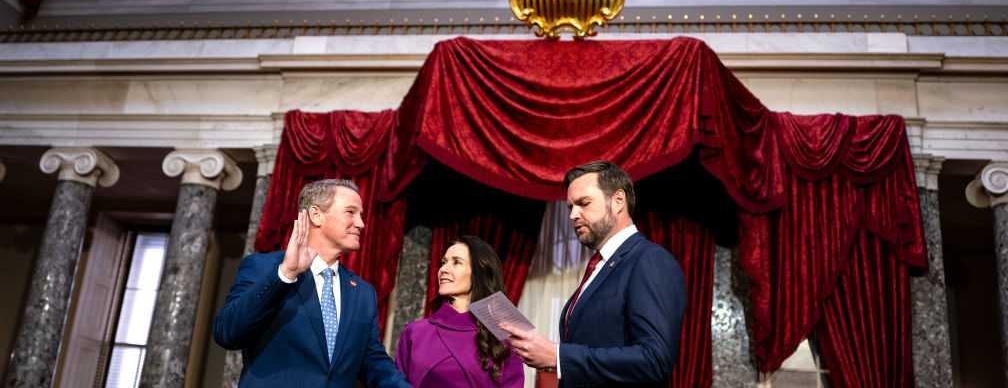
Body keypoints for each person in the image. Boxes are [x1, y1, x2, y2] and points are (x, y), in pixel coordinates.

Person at [502, 161, 687, 388]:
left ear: (618, 201)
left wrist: (559, 357)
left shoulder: (649, 260)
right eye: (570, 207)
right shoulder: (600, 266)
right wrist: (548, 355)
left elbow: (655, 360)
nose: (573, 215)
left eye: (584, 203)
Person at [213, 179, 411, 388]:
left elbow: (373, 361)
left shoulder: (363, 293)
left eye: (360, 215)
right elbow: (228, 332)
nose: (361, 223)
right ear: (316, 215)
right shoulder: (264, 267)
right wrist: (285, 275)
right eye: (351, 212)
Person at [396, 235, 525, 388]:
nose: (443, 269)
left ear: (479, 273)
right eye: (443, 262)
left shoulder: (504, 334)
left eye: (456, 262)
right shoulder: (414, 332)